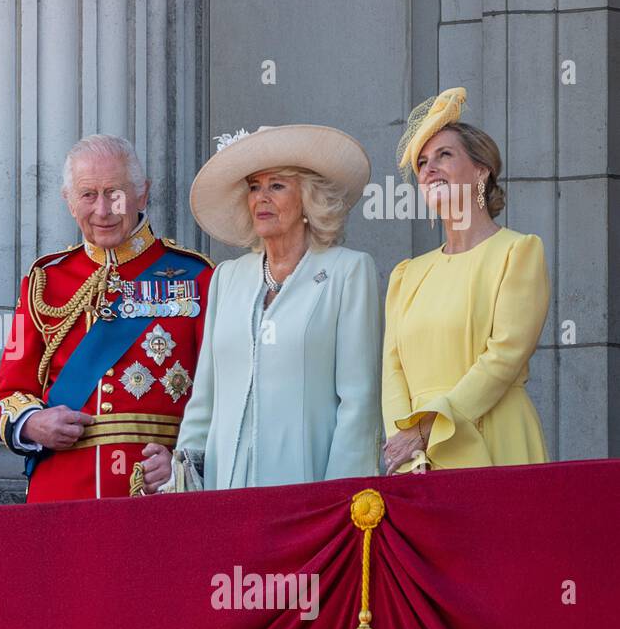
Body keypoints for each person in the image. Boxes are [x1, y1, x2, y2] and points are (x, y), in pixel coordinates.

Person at [143, 125, 382, 492]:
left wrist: (340, 499)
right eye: (254, 186)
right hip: (226, 491)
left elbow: (358, 402)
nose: (261, 198)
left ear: (308, 198)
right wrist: (186, 481)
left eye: (277, 186)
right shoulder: (227, 277)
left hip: (308, 489)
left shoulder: (347, 271)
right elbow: (205, 397)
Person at [0, 134, 214, 502]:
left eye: (116, 193)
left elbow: (221, 396)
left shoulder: (196, 277)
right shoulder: (46, 281)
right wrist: (33, 423)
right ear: (69, 201)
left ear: (143, 194)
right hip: (60, 492)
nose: (103, 210)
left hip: (155, 491)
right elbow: (4, 398)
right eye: (88, 195)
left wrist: (184, 463)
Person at [382, 87, 550, 473]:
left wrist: (429, 427)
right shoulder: (406, 275)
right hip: (417, 457)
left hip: (494, 440)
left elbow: (504, 356)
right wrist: (404, 441)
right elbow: (393, 372)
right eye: (422, 162)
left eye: (444, 155)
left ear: (480, 170)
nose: (429, 168)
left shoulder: (518, 252)